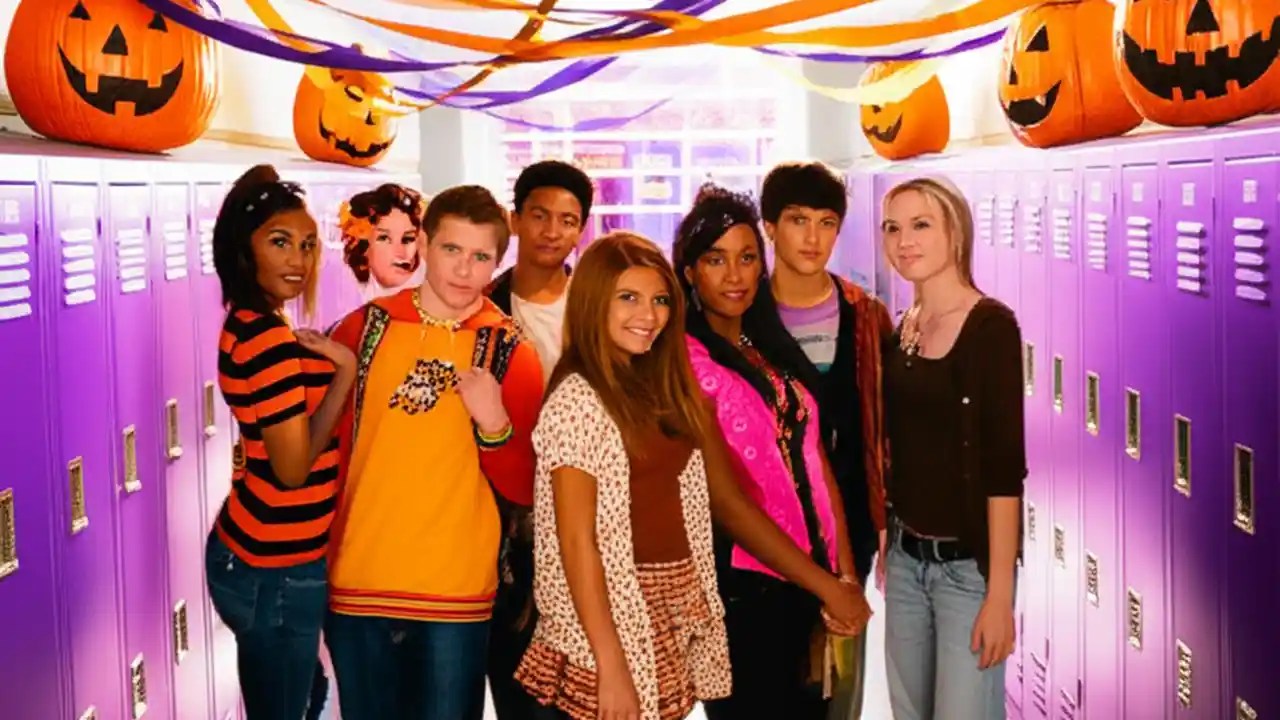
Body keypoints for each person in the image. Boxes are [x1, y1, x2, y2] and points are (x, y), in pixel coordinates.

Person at [515, 231, 868, 720]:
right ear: (595, 302)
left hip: (666, 610)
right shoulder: (579, 398)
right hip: (613, 614)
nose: (649, 315)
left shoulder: (656, 383)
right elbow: (578, 544)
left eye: (660, 300)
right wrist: (610, 662)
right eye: (629, 298)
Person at [323, 185, 544, 720]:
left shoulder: (510, 348)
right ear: (424, 242)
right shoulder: (364, 328)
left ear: (499, 260)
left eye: (481, 257)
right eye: (451, 250)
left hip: (456, 595)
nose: (464, 270)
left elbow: (525, 486)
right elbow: (327, 454)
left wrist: (493, 422)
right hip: (359, 582)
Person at [673, 185, 870, 720]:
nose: (734, 276)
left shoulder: (763, 347)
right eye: (715, 260)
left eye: (746, 257)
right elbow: (727, 503)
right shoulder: (685, 365)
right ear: (689, 271)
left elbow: (815, 458)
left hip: (810, 582)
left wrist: (845, 575)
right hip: (745, 593)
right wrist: (827, 585)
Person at [205, 164, 354, 720]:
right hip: (279, 568)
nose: (299, 259)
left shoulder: (251, 322)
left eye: (308, 245)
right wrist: (345, 375)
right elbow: (292, 469)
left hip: (258, 552)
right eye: (280, 242)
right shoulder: (266, 338)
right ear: (245, 250)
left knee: (301, 697)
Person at [879, 177, 1025, 720]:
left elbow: (1004, 471)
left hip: (966, 573)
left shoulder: (990, 328)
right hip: (905, 559)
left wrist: (999, 596)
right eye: (892, 227)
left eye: (921, 225)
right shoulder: (905, 327)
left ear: (956, 233)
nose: (903, 241)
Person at [760, 161, 893, 719]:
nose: (813, 238)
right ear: (769, 226)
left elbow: (886, 427)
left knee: (838, 692)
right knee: (771, 687)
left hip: (848, 532)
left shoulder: (866, 317)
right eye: (797, 220)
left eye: (826, 222)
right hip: (761, 536)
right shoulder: (741, 317)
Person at [485, 160, 593, 720]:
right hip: (509, 540)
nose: (553, 231)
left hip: (591, 534)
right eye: (540, 216)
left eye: (568, 220)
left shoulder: (601, 310)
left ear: (582, 230)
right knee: (521, 696)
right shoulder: (481, 311)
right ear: (516, 219)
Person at [339, 183, 427, 299]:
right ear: (363, 247)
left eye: (408, 239)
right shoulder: (348, 293)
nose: (400, 252)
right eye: (384, 238)